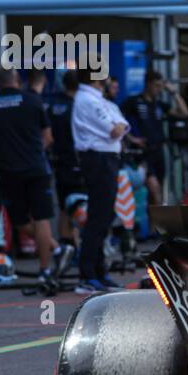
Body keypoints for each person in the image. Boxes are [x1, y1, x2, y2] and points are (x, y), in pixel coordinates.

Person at [0, 68, 59, 285]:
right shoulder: (32, 101)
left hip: (8, 170)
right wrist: (32, 152)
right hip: (36, 169)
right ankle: (46, 268)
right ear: (17, 80)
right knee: (41, 218)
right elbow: (48, 137)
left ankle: (58, 250)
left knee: (19, 221)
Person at [72, 70, 130, 293]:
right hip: (98, 159)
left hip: (106, 159)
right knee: (98, 216)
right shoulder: (87, 99)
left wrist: (120, 127)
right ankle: (87, 275)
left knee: (104, 216)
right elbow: (116, 129)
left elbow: (122, 124)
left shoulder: (99, 100)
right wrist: (119, 127)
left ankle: (98, 271)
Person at [123, 70, 188, 221]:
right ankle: (158, 227)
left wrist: (173, 93)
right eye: (156, 85)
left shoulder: (159, 104)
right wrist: (131, 138)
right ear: (148, 84)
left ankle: (153, 229)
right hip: (143, 152)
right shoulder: (134, 101)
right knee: (154, 189)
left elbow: (184, 113)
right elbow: (117, 119)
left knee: (157, 191)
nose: (159, 89)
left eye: (161, 86)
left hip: (159, 150)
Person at [47, 71, 84, 248]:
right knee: (78, 204)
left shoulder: (52, 104)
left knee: (64, 206)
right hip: (77, 161)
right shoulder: (79, 105)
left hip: (59, 161)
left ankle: (66, 246)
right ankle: (75, 244)